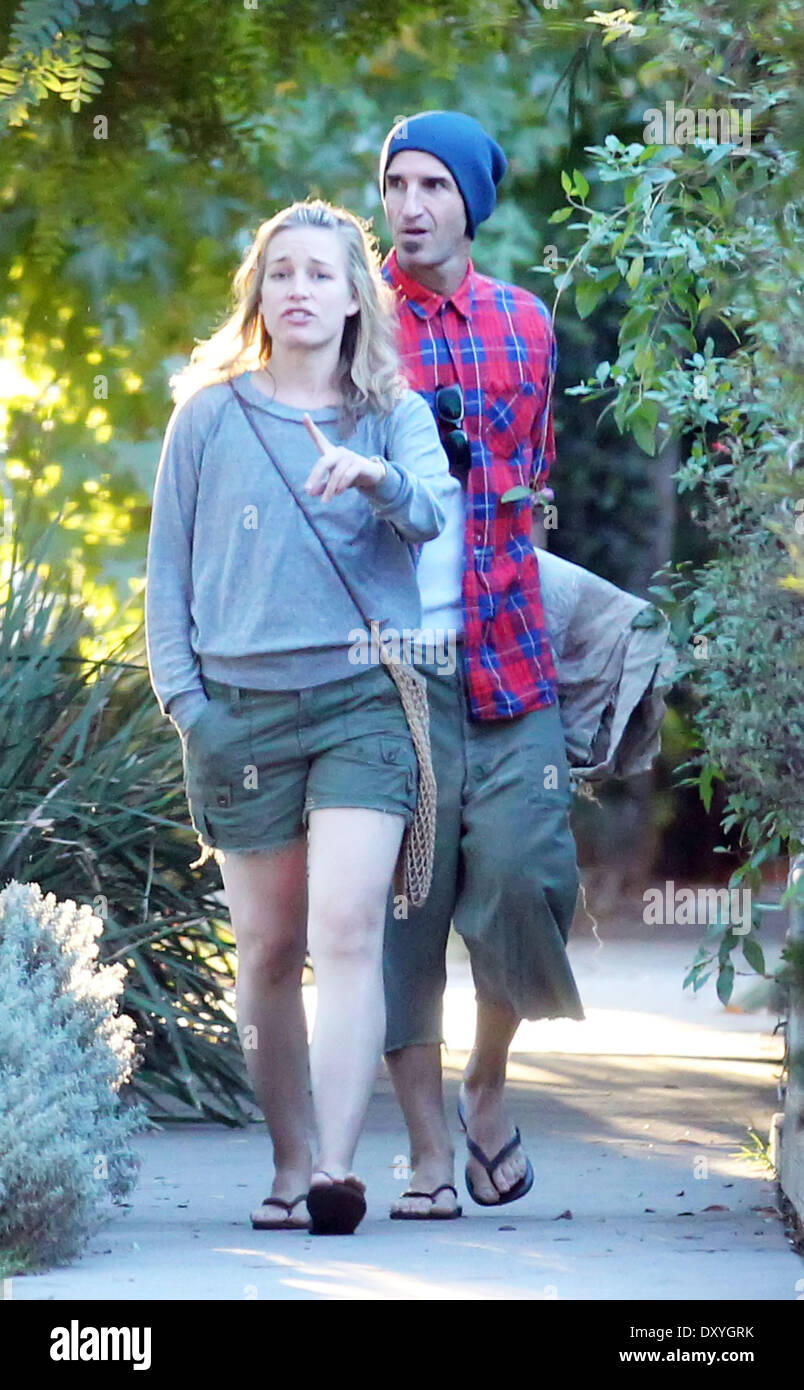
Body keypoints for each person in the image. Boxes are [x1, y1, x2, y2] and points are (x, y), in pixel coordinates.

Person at [144, 198, 459, 1235]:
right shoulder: (209, 416)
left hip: (362, 701)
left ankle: (334, 1169)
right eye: (281, 272)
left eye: (321, 273)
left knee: (348, 928)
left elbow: (429, 510)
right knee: (271, 952)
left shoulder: (392, 415)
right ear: (259, 293)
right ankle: (284, 1165)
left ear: (355, 295)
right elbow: (166, 581)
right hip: (239, 716)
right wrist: (192, 708)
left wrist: (373, 476)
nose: (299, 290)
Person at [378, 111, 585, 1220]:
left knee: (527, 880)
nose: (410, 206)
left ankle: (489, 1081)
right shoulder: (353, 322)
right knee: (405, 914)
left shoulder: (527, 325)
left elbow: (533, 480)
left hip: (508, 655)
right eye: (396, 185)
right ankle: (426, 1153)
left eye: (432, 187)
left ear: (471, 202)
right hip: (389, 673)